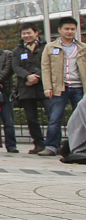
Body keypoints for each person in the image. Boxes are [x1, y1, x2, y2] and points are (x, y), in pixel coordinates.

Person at [39, 16, 86, 156]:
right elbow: (45, 68)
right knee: (55, 118)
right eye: (67, 29)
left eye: (73, 29)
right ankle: (51, 146)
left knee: (81, 118)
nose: (70, 31)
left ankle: (79, 146)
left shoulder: (82, 48)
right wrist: (48, 87)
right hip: (60, 87)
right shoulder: (51, 47)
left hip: (79, 87)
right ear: (60, 30)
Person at [12, 23, 49, 153]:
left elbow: (49, 64)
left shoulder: (46, 47)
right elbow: (16, 67)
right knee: (31, 119)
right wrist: (27, 76)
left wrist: (37, 76)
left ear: (36, 33)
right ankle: (38, 144)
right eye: (24, 33)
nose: (26, 35)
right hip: (26, 88)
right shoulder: (17, 50)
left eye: (29, 33)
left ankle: (53, 143)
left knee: (52, 115)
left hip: (44, 87)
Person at [0, 31, 18, 153]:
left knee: (8, 121)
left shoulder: (7, 54)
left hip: (5, 91)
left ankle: (11, 145)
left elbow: (8, 69)